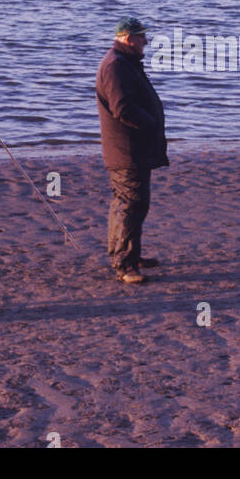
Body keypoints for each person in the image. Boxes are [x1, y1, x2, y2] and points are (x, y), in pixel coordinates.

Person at [96, 18, 169, 284]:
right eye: (141, 38)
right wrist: (150, 124)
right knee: (130, 205)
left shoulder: (123, 62)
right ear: (129, 39)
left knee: (131, 204)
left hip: (129, 149)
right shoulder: (116, 65)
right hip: (126, 150)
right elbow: (122, 108)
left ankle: (129, 255)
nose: (146, 43)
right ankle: (124, 265)